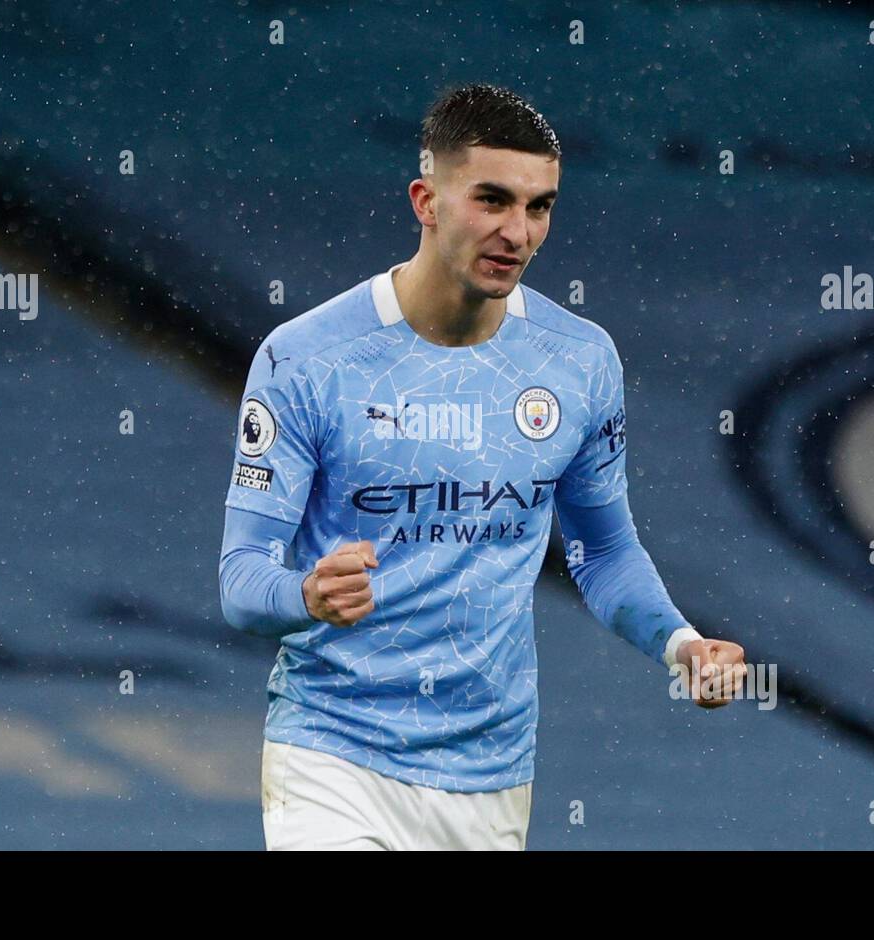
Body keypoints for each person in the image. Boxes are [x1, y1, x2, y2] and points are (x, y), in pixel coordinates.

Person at [218, 83, 746, 850]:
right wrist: (305, 593)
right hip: (332, 755)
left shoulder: (579, 361)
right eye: (492, 200)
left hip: (491, 773)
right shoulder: (306, 358)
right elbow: (241, 579)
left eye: (540, 207)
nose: (518, 232)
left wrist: (680, 643)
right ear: (425, 200)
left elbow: (603, 551)